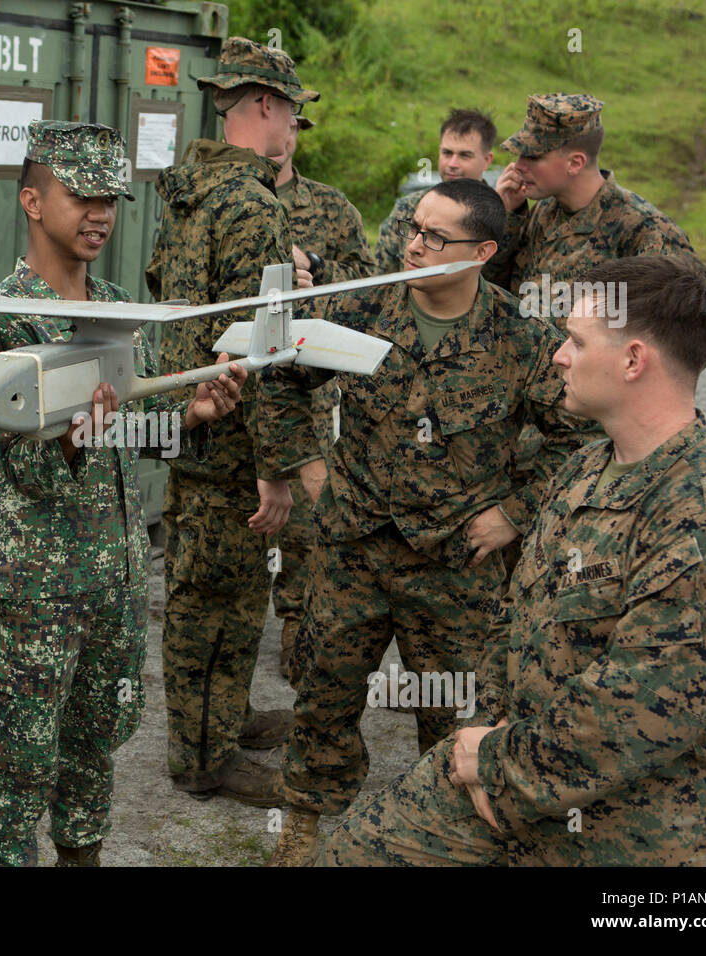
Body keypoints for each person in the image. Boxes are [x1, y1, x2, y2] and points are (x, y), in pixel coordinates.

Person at [324, 253, 706, 866]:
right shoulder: (588, 467)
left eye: (574, 340)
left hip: (632, 812)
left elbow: (642, 709)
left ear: (633, 360)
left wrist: (494, 768)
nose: (558, 355)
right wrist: (485, 740)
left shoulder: (703, 516)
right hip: (516, 757)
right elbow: (513, 621)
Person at [268, 179, 595, 864]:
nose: (413, 243)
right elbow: (276, 373)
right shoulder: (356, 309)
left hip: (454, 564)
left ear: (481, 252)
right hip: (352, 544)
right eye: (414, 228)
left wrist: (514, 512)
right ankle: (306, 807)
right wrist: (305, 461)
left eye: (434, 237)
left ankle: (445, 832)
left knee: (454, 712)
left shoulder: (519, 339)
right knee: (323, 688)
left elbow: (580, 438)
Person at [0, 120, 245, 866]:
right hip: (35, 593)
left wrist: (192, 413)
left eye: (110, 200)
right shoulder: (5, 323)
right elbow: (23, 466)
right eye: (82, 195)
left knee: (93, 758)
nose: (100, 215)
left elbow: (134, 437)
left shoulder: (117, 308)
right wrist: (76, 436)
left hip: (113, 582)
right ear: (31, 200)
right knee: (18, 773)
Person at [147, 36, 322, 807]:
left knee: (200, 587)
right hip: (233, 431)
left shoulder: (191, 191)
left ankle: (220, 721)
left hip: (193, 419)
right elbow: (265, 347)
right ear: (264, 105)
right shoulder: (253, 203)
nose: (295, 129)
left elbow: (172, 292)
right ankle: (204, 757)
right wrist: (274, 467)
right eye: (291, 112)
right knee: (222, 599)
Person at [268, 113, 376, 677]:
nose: (281, 137)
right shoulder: (234, 202)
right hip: (238, 384)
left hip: (307, 390)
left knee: (309, 523)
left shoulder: (332, 208)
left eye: (291, 126)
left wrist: (316, 268)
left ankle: (297, 632)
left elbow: (366, 283)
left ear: (296, 133)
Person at [484, 93, 693, 312]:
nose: (517, 166)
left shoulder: (648, 230)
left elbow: (687, 327)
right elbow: (496, 296)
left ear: (575, 163)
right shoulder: (541, 213)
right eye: (519, 155)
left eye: (533, 157)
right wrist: (507, 216)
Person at [375, 108, 497, 275]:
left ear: (486, 160)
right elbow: (380, 275)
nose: (452, 163)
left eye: (464, 155)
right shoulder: (409, 207)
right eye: (447, 153)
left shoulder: (500, 214)